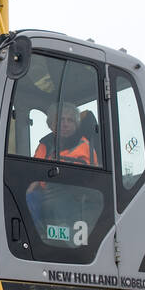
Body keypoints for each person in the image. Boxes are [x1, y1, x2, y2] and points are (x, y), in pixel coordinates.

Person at [26, 101, 98, 237]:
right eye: (60, 120)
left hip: (71, 195)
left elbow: (82, 174)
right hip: (44, 193)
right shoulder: (45, 145)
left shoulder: (84, 146)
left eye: (70, 120)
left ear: (76, 125)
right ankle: (31, 236)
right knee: (27, 198)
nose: (65, 124)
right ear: (52, 125)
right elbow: (34, 169)